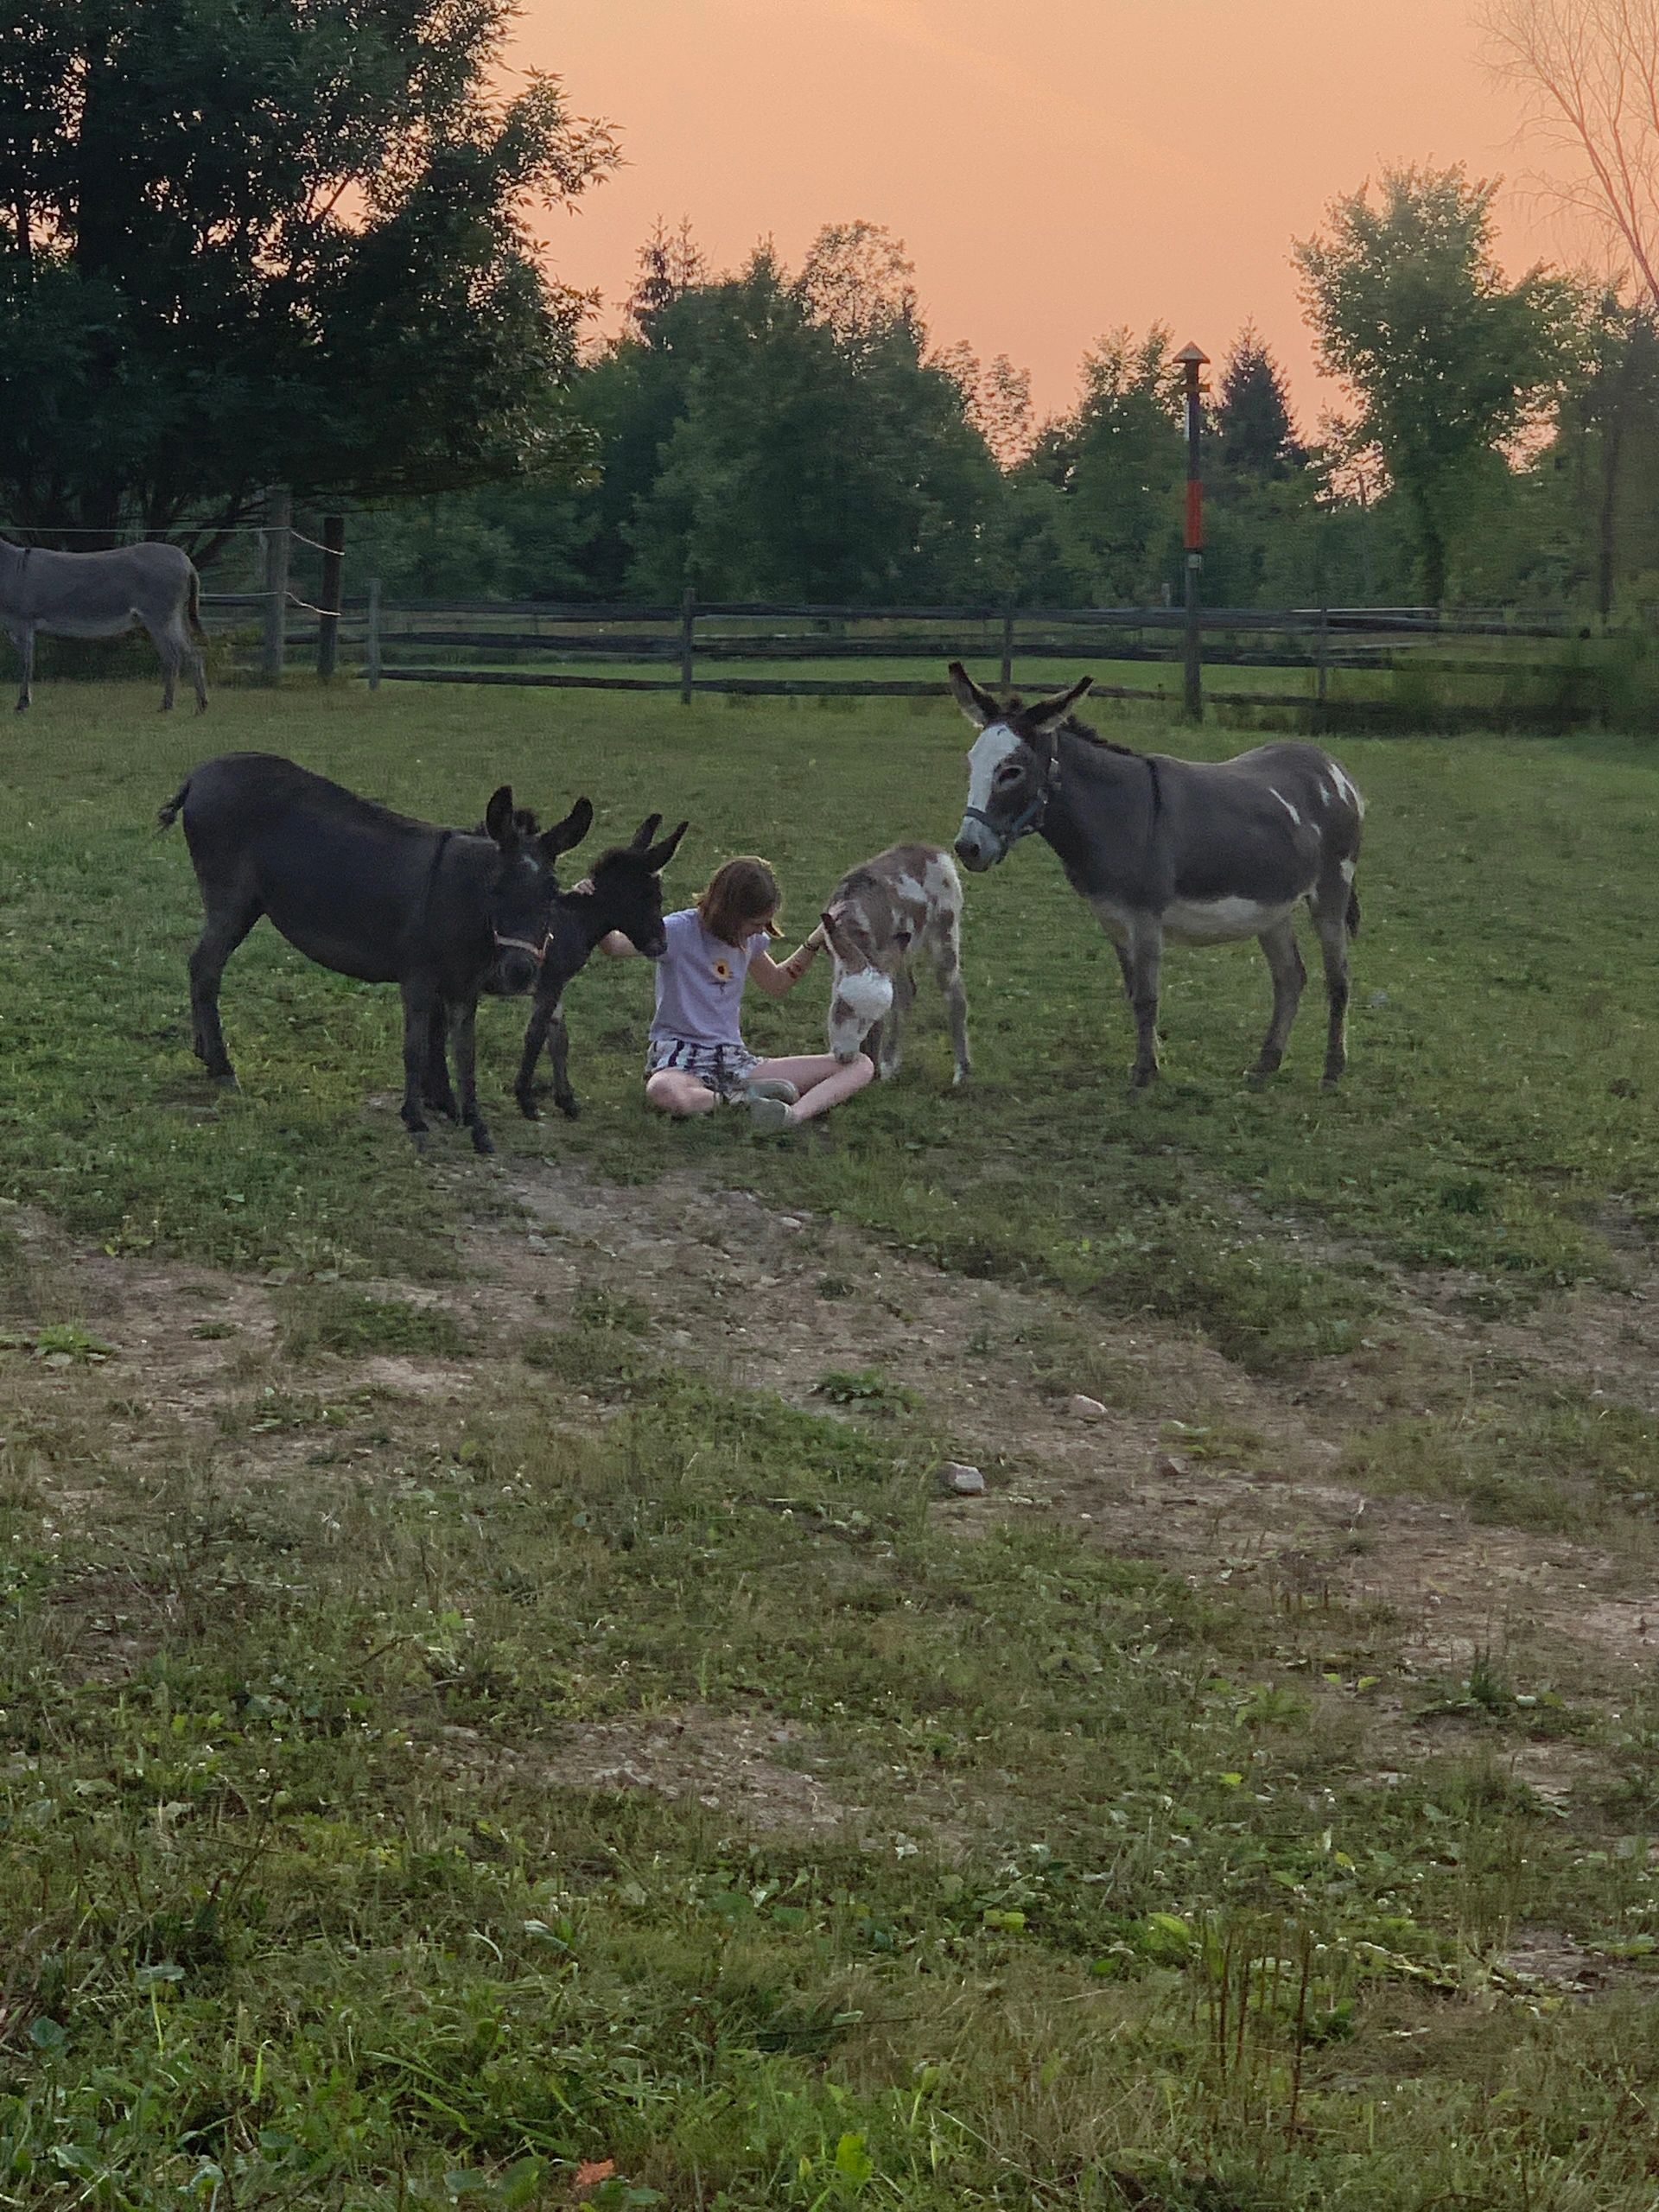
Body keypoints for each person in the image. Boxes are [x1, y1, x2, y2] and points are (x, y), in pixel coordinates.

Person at [594, 855, 874, 1132]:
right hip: (681, 1056)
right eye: (755, 924)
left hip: (733, 1059)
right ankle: (745, 1099)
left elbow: (776, 983)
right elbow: (615, 948)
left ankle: (790, 1115)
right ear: (729, 913)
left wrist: (814, 941)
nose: (759, 931)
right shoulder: (679, 930)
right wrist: (595, 900)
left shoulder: (748, 940)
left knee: (860, 1065)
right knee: (663, 1091)